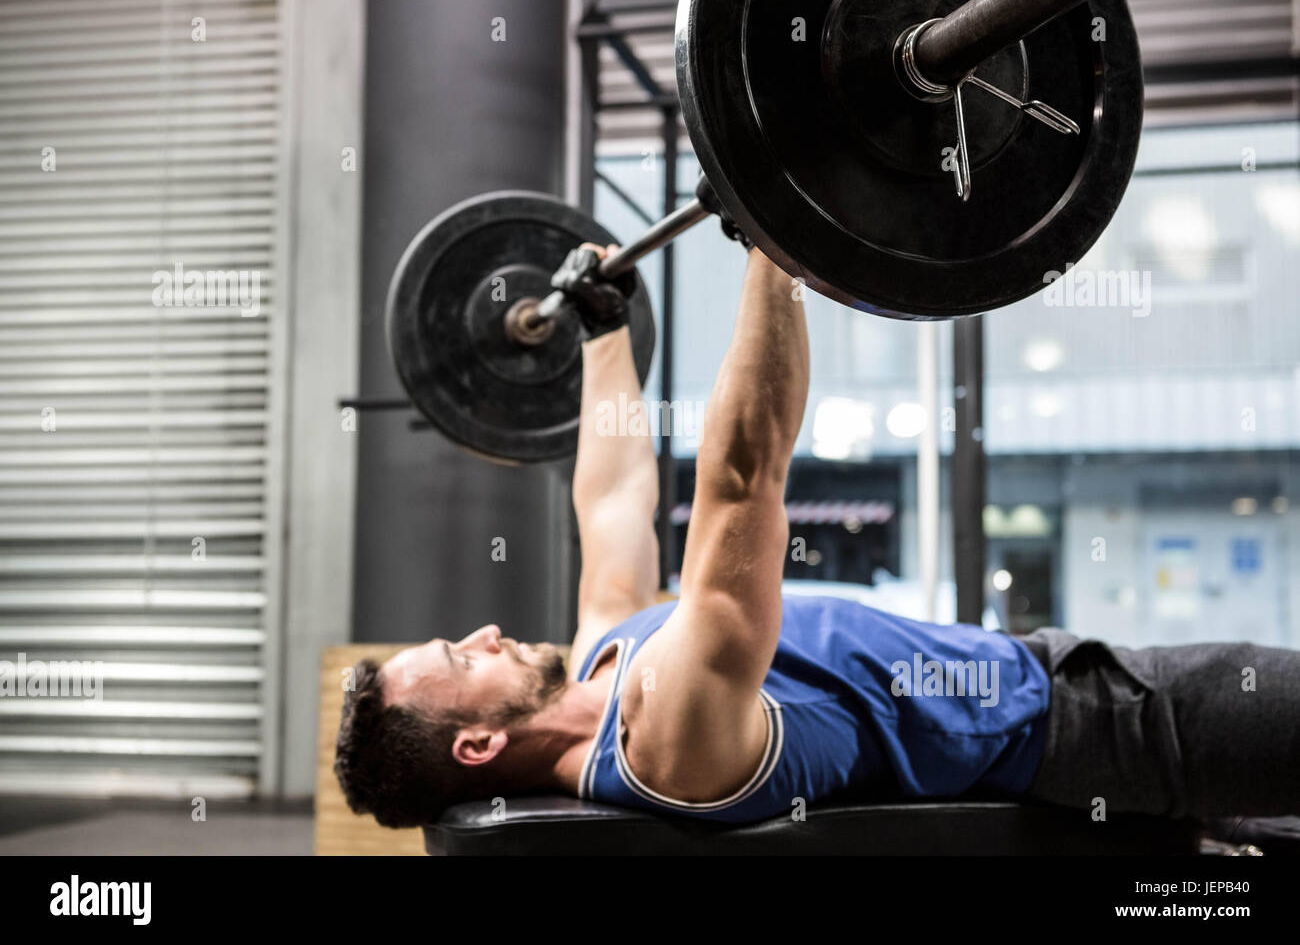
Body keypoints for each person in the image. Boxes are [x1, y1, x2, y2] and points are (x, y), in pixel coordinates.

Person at [335, 217, 1300, 830]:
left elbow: (618, 499)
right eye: (465, 660)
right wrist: (777, 235)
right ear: (476, 748)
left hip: (1065, 680)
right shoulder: (668, 739)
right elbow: (742, 478)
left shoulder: (600, 662)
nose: (485, 632)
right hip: (1091, 731)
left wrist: (603, 332)